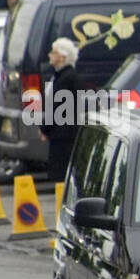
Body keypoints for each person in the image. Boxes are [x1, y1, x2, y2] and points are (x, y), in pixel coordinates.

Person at [39, 38, 87, 182]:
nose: (49, 55)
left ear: (62, 57)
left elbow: (56, 108)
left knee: (62, 176)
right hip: (65, 133)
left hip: (64, 136)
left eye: (53, 52)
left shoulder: (66, 79)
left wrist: (44, 128)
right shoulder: (64, 76)